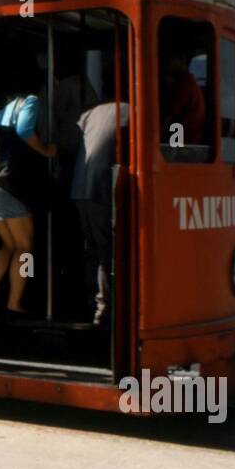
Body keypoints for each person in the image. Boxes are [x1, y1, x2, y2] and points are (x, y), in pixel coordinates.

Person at [0, 68, 57, 320]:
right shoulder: (30, 101)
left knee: (9, 245)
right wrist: (46, 151)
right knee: (26, 247)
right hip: (9, 182)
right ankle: (16, 302)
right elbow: (23, 130)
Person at [70, 98, 129, 327]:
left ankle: (88, 304)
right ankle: (103, 310)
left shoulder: (91, 112)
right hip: (101, 188)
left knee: (92, 249)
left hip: (79, 187)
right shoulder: (132, 112)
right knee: (106, 252)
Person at [161, 44, 206, 146]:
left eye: (169, 58)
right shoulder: (188, 81)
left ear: (182, 60)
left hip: (181, 144)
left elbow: (170, 114)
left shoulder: (184, 83)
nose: (165, 63)